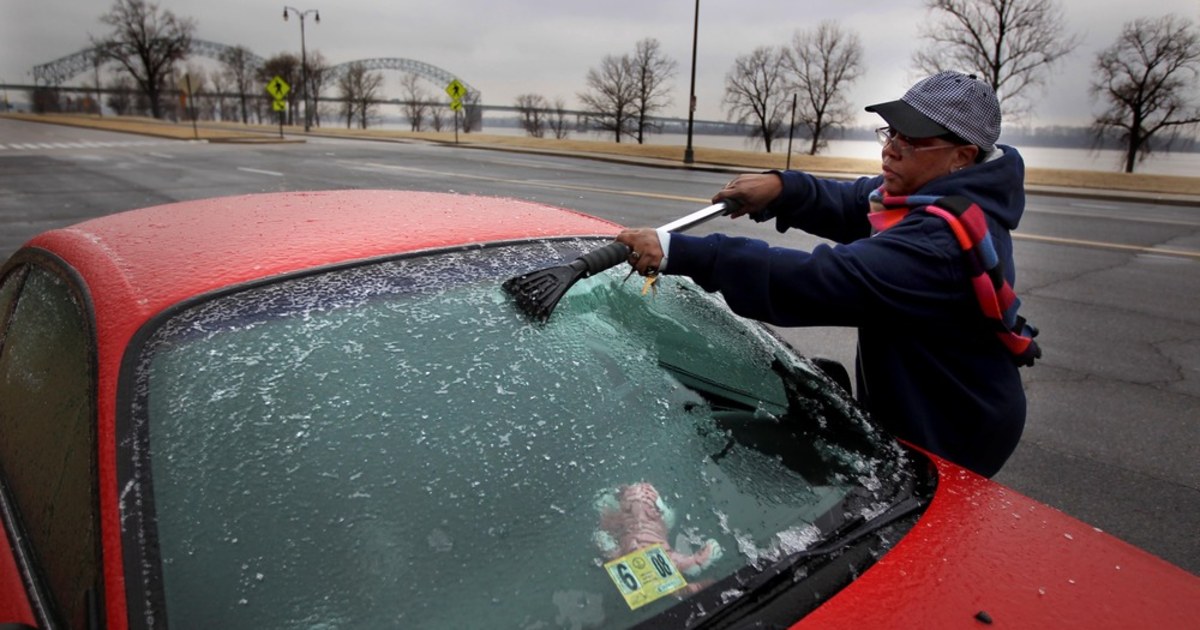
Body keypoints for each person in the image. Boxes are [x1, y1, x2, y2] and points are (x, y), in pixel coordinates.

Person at [615, 71, 1039, 478]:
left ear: (961, 156)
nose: (890, 150)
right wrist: (783, 188)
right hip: (928, 394)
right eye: (891, 133)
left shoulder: (938, 246)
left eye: (911, 141)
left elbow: (818, 280)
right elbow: (856, 201)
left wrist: (682, 252)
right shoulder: (933, 193)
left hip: (952, 424)